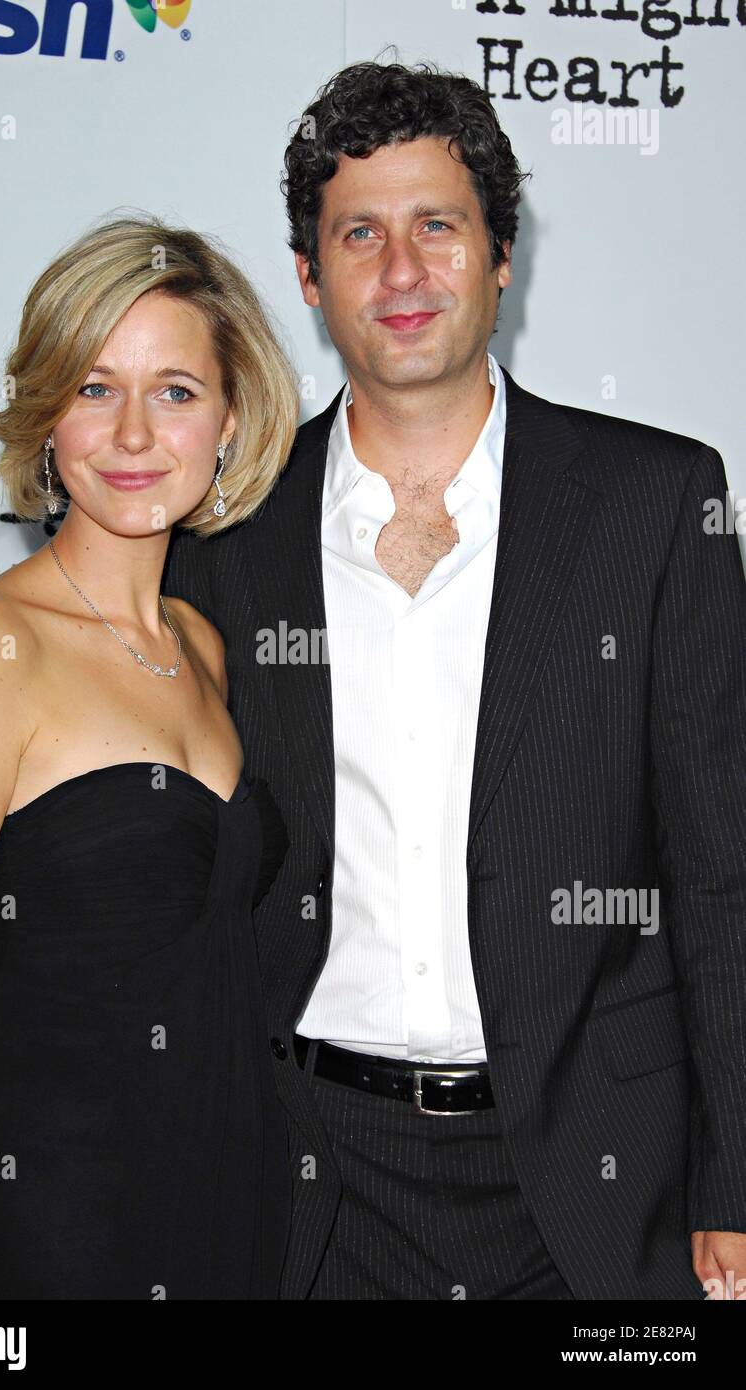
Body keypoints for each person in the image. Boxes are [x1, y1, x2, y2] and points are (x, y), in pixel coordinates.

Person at [166, 59, 746, 1300]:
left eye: (437, 224)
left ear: (498, 257)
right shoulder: (223, 536)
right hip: (313, 1177)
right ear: (311, 282)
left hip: (600, 1176)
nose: (402, 269)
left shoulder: (654, 504)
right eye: (358, 235)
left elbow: (719, 868)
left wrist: (733, 1179)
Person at [0, 213, 299, 1299]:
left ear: (230, 418)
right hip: (45, 1220)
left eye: (174, 391)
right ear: (47, 414)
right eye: (95, 387)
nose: (132, 436)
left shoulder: (201, 644)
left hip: (221, 1200)